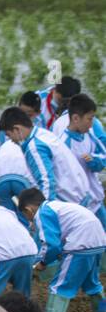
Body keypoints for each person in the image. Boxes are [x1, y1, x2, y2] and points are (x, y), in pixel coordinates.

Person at [18, 187, 106, 312]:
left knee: (59, 288)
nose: (29, 220)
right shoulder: (57, 206)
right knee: (93, 285)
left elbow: (52, 245)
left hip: (79, 245)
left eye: (26, 215)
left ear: (28, 210)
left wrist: (43, 262)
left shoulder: (42, 213)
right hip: (98, 242)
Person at [0, 106, 91, 209]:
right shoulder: (43, 134)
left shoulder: (34, 147)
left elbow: (46, 182)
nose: (11, 140)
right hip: (81, 195)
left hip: (70, 202)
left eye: (9, 135)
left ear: (17, 129)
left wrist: (44, 212)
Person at [62, 93, 106, 227]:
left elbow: (103, 156)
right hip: (79, 206)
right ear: (75, 118)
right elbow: (64, 179)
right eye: (89, 119)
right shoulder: (63, 144)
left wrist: (95, 160)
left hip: (96, 202)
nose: (92, 124)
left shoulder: (90, 135)